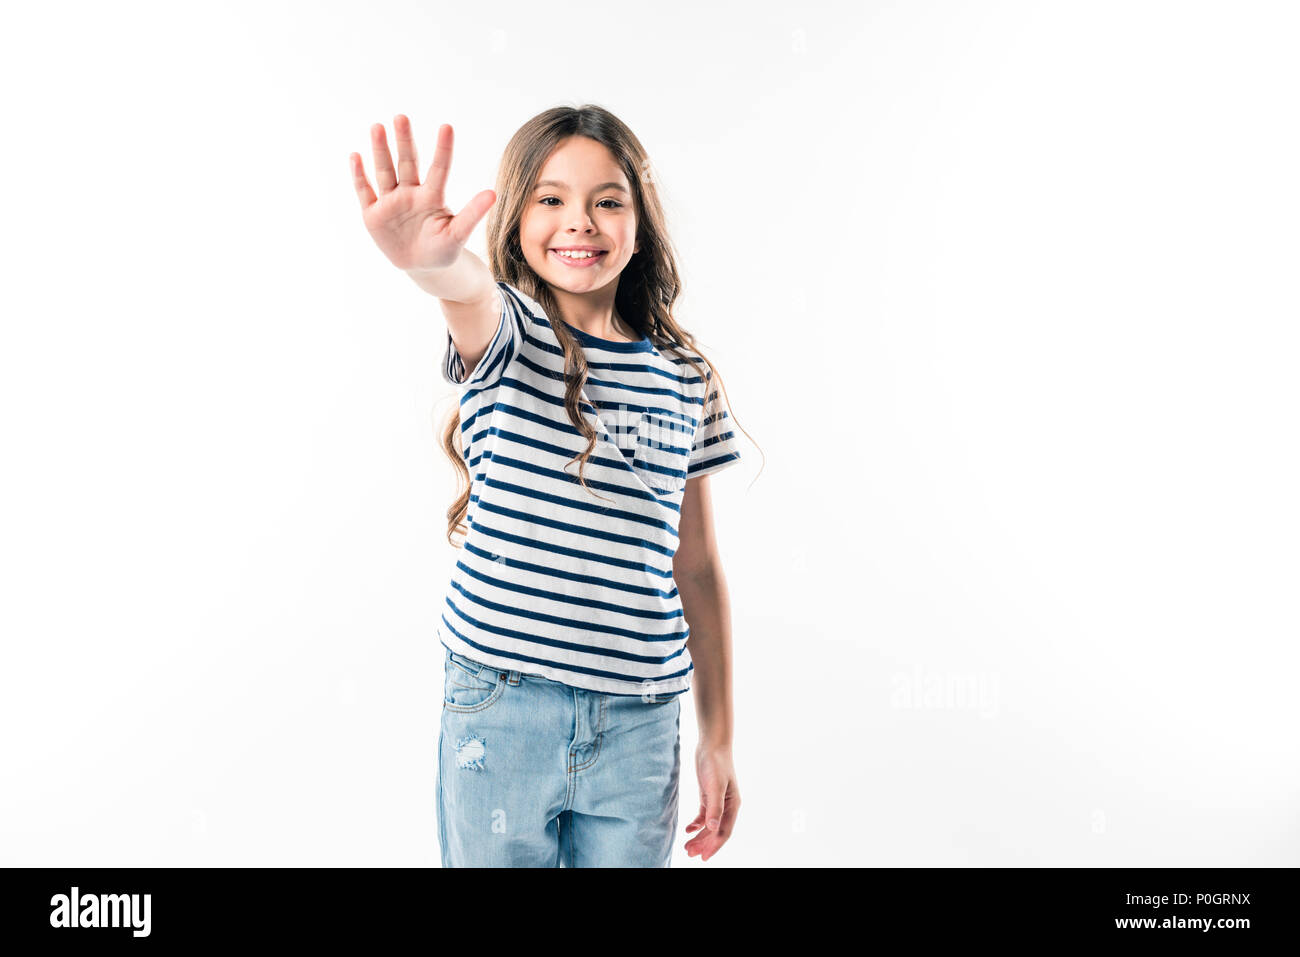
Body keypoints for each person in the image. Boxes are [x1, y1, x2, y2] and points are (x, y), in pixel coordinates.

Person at [349, 105, 754, 866]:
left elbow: (695, 566)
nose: (581, 223)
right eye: (550, 199)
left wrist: (719, 738)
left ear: (640, 221)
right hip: (502, 712)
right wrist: (428, 261)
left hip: (639, 728)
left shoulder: (684, 378)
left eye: (608, 201)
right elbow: (466, 290)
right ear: (519, 218)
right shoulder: (512, 336)